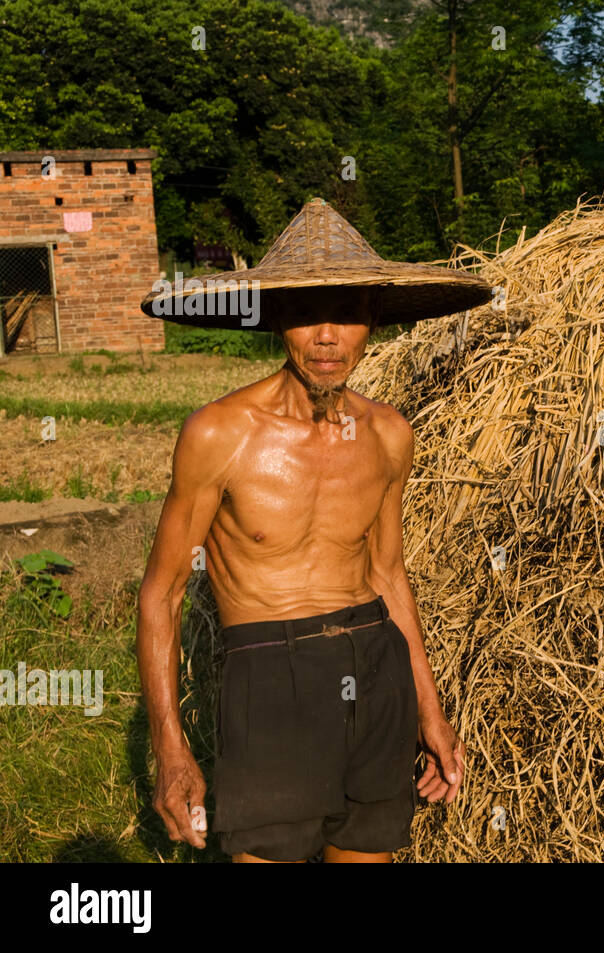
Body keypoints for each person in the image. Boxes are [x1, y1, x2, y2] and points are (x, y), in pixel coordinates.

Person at [135, 198, 493, 862]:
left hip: (374, 674)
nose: (327, 336)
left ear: (375, 321)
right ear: (275, 319)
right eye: (306, 313)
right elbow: (162, 592)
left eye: (348, 312)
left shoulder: (388, 435)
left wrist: (429, 710)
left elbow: (389, 575)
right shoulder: (219, 434)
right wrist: (170, 747)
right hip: (271, 681)